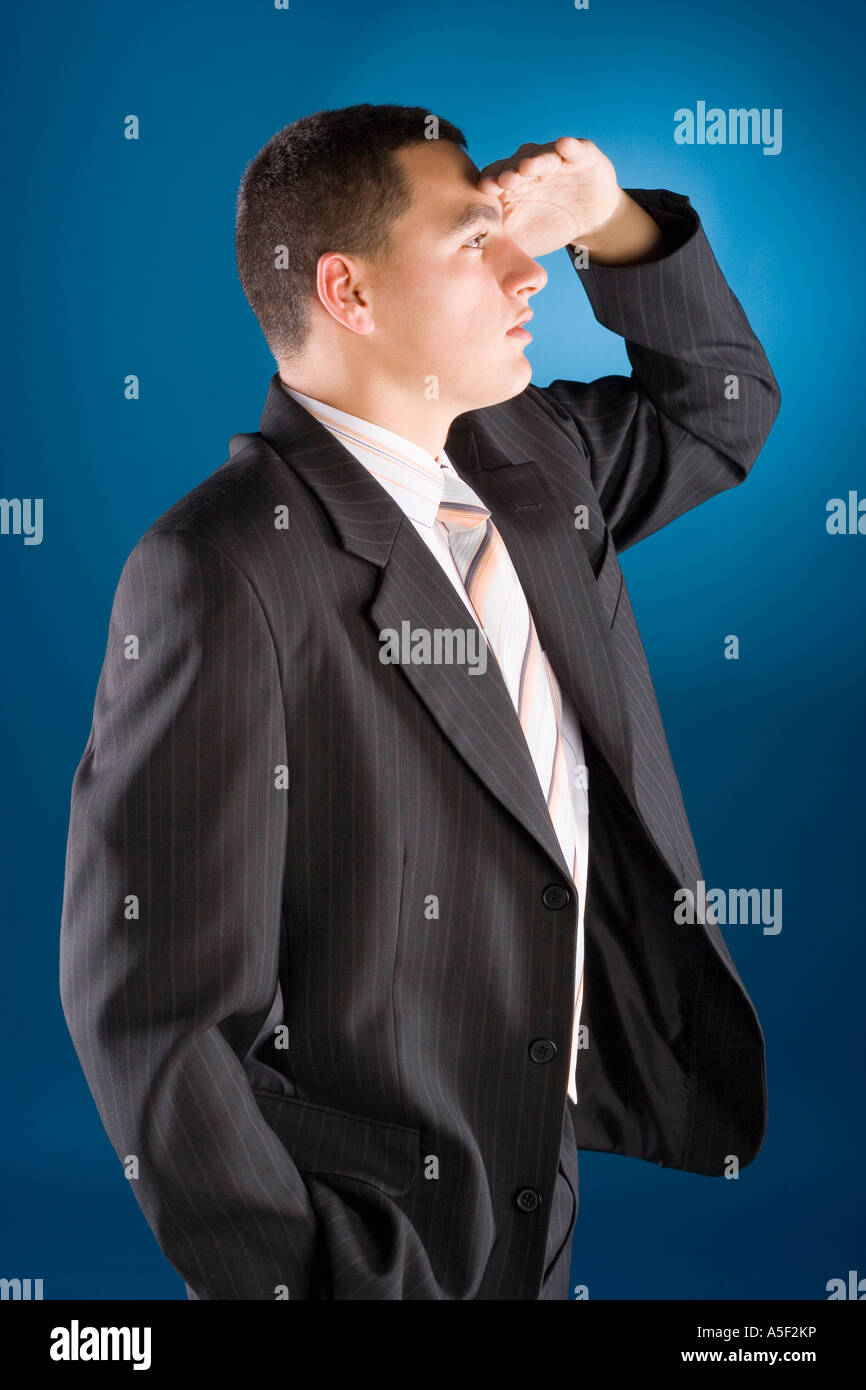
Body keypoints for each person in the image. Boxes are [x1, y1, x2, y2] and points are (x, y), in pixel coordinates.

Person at [59, 103, 780, 1301]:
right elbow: (155, 1017)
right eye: (471, 241)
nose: (525, 270)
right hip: (375, 1226)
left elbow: (720, 406)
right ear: (346, 291)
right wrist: (326, 1272)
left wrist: (602, 216)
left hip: (532, 1178)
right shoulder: (219, 566)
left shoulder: (535, 460)